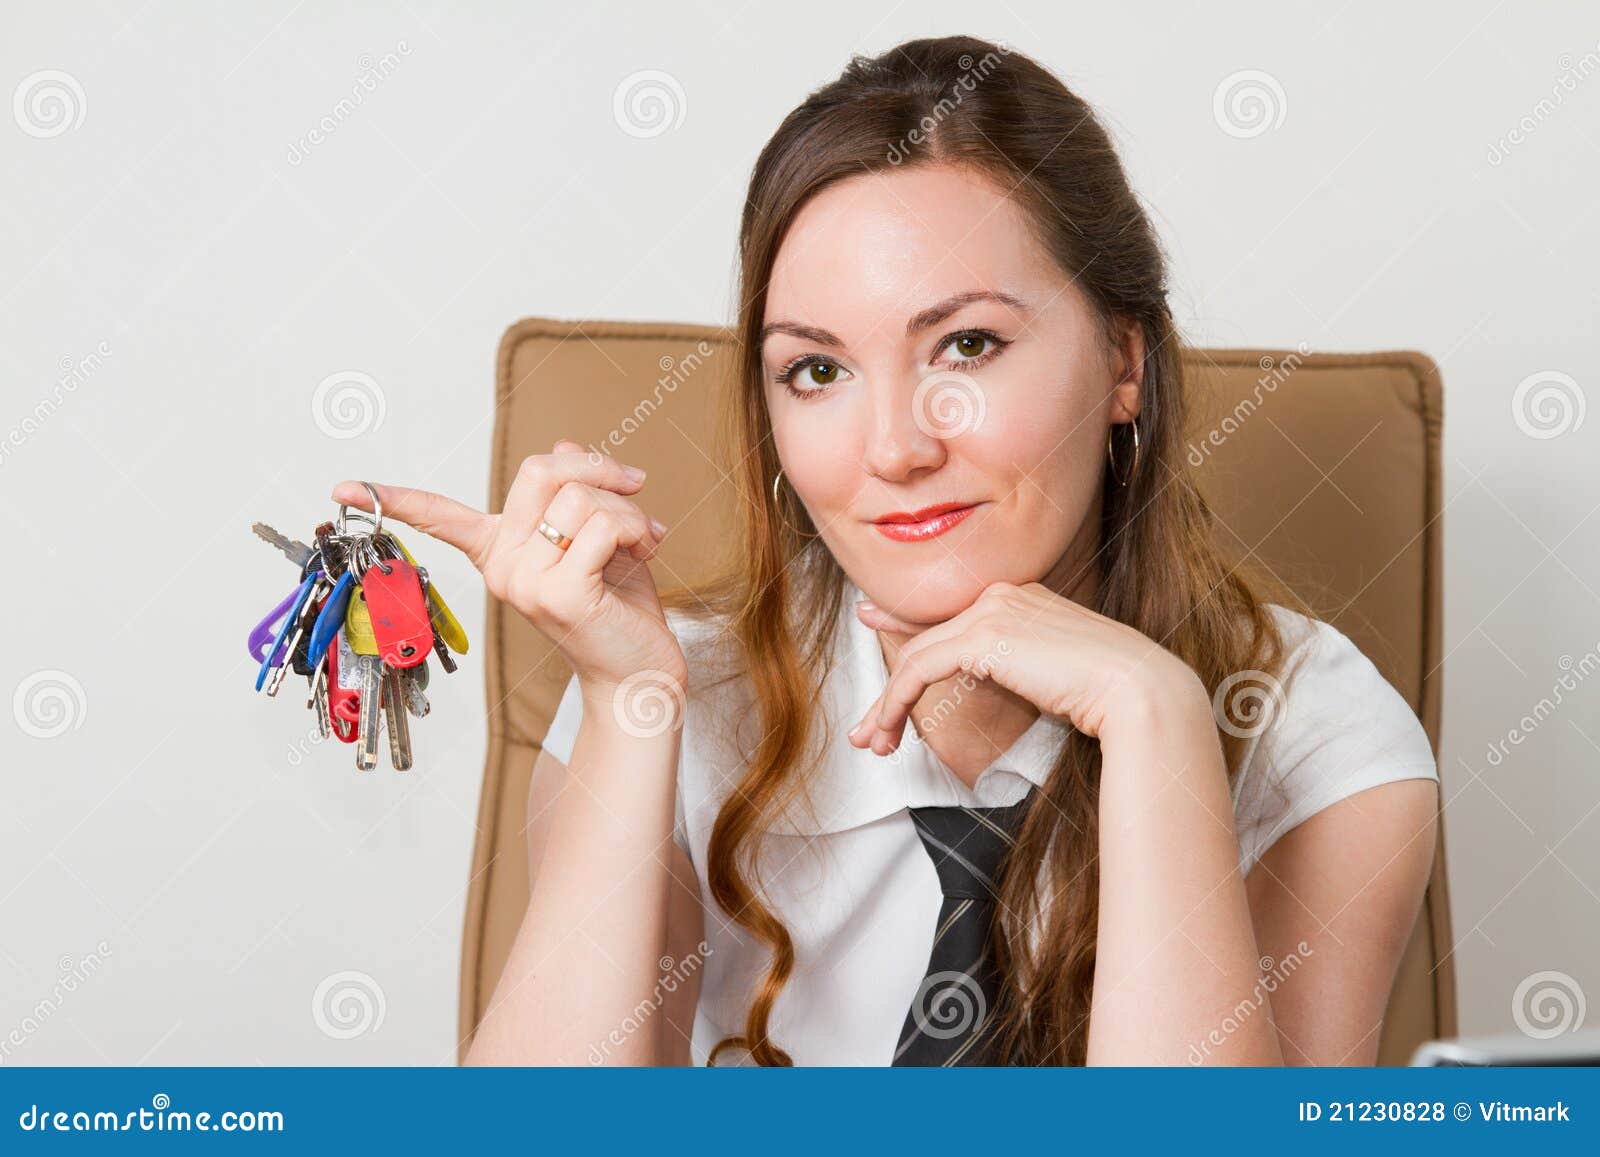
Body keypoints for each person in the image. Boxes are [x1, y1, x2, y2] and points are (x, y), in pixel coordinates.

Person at [334, 34, 1440, 1067]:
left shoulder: (1315, 732)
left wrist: (1156, 719)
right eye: (816, 370)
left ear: (1122, 364)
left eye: (967, 344)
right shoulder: (673, 696)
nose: (895, 448)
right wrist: (629, 701)